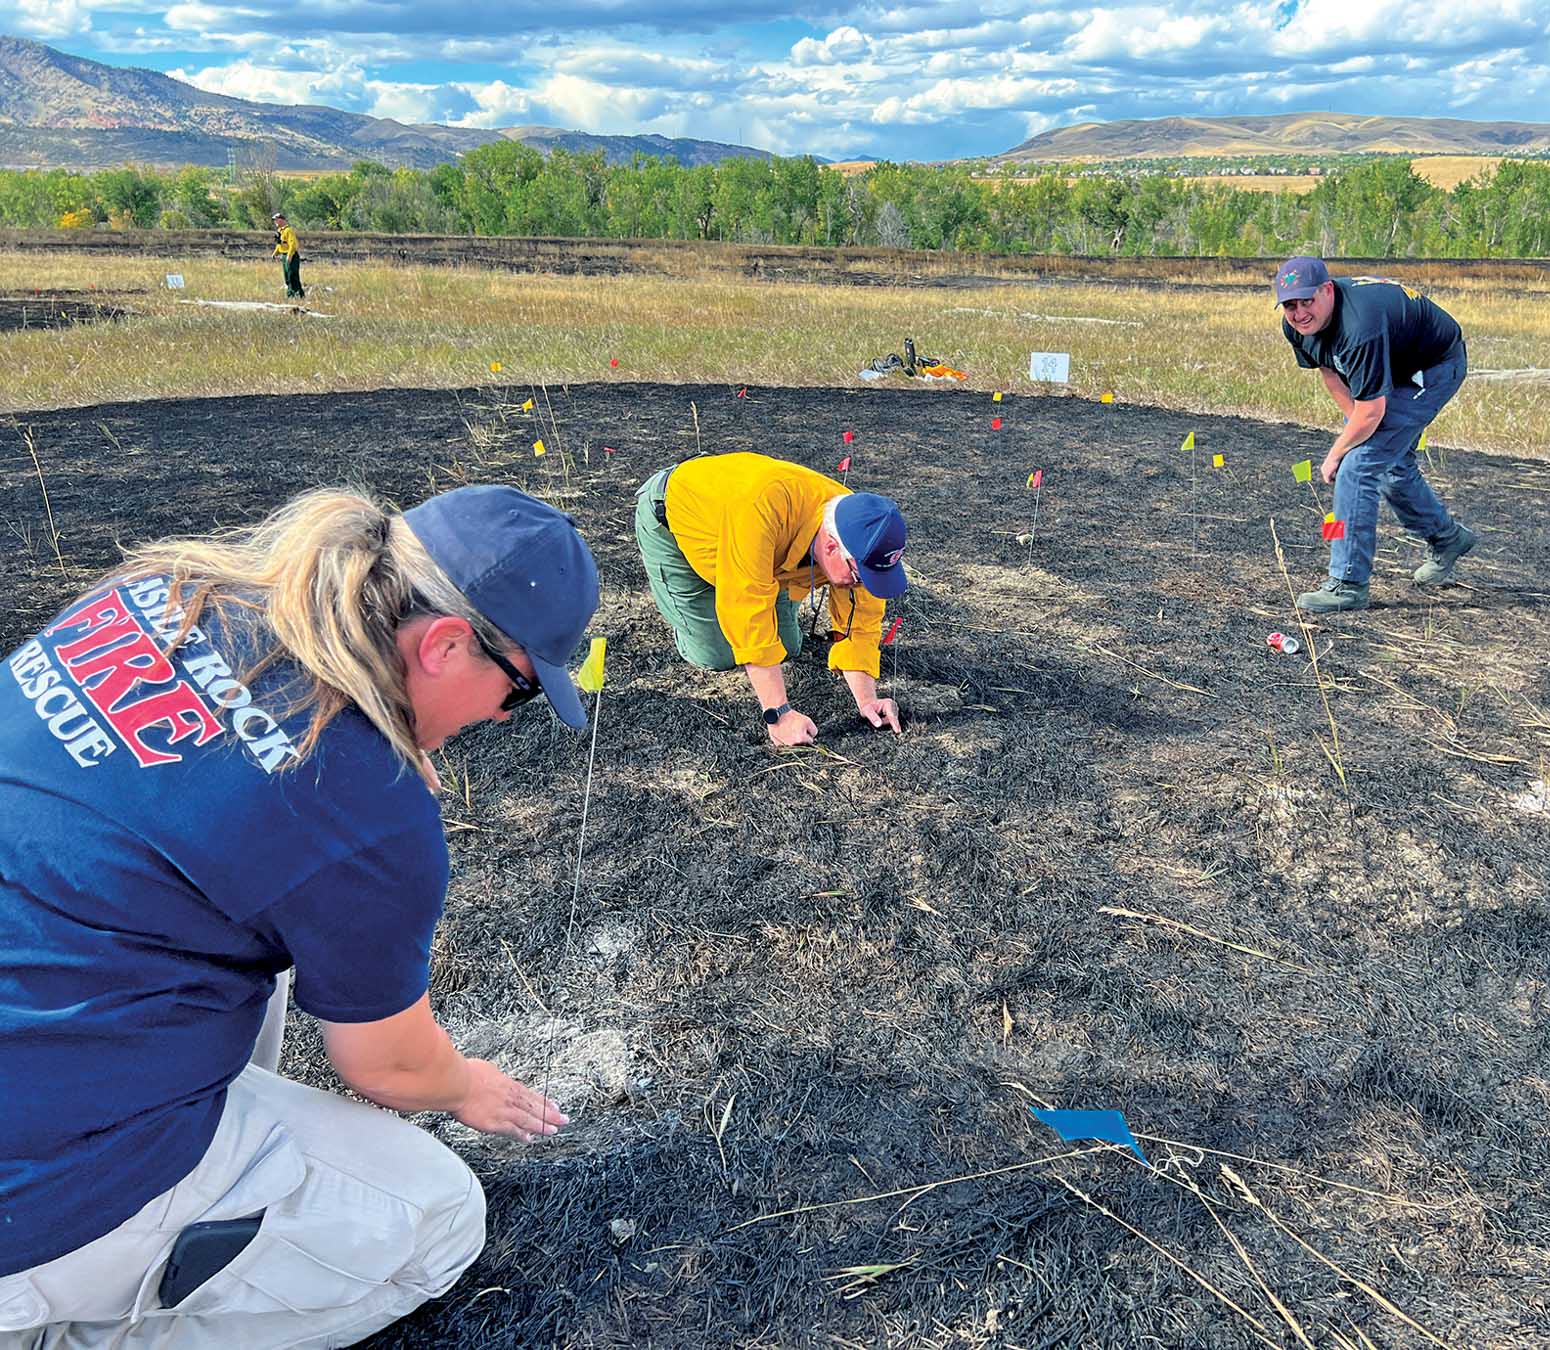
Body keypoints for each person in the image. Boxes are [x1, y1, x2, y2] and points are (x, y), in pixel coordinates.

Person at [0, 483, 599, 1347]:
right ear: (444, 645)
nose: (500, 719)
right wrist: (466, 1084)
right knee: (439, 1220)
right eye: (519, 692)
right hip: (34, 1189)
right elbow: (388, 1070)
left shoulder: (167, 591)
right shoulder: (363, 805)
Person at [634, 452, 905, 746]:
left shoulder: (861, 531)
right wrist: (780, 714)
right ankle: (689, 610)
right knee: (716, 656)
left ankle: (735, 580)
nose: (862, 583)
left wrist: (867, 700)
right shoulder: (759, 510)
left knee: (787, 647)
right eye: (859, 574)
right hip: (674, 517)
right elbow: (748, 612)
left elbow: (860, 623)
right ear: (829, 547)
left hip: (755, 540)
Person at [1275, 256, 1478, 613]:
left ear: (1327, 290)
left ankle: (1348, 584)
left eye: (1307, 301)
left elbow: (1373, 411)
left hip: (1433, 366)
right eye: (1290, 304)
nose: (1299, 312)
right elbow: (1330, 371)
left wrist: (1340, 449)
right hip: (1393, 361)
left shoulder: (1359, 327)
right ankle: (1448, 539)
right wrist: (1359, 428)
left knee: (1357, 467)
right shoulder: (1298, 327)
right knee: (1388, 464)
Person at [271, 212, 303, 300]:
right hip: (284, 255)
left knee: (292, 275)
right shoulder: (280, 231)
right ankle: (293, 295)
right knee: (287, 276)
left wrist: (289, 256)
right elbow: (280, 244)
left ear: (281, 220)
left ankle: (296, 294)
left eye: (276, 220)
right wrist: (275, 253)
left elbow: (292, 244)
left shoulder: (288, 230)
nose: (275, 222)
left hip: (291, 255)